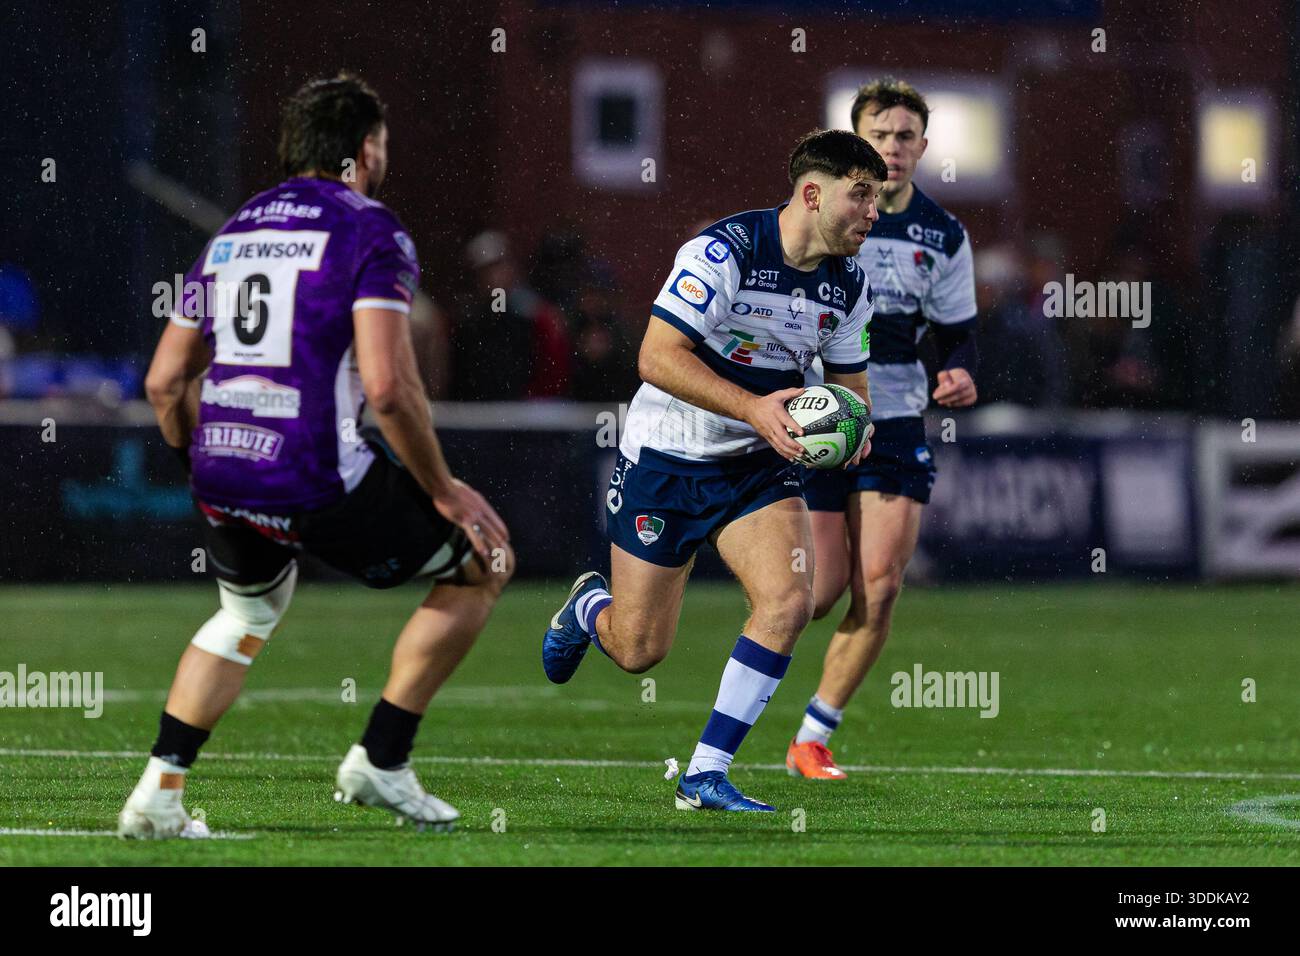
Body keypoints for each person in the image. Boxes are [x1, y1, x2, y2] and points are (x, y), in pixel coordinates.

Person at [119, 73, 513, 838]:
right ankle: (382, 760)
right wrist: (443, 489)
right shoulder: (370, 228)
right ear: (365, 149)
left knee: (244, 614)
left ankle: (159, 796)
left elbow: (166, 381)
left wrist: (197, 464)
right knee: (483, 563)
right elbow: (390, 389)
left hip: (225, 464)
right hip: (312, 470)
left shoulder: (233, 232)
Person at [542, 129, 885, 812]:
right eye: (862, 195)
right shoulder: (723, 252)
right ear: (812, 193)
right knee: (639, 650)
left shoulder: (850, 287)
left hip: (758, 465)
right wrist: (755, 407)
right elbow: (657, 358)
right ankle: (589, 607)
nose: (874, 213)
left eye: (879, 199)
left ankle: (704, 773)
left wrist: (854, 433)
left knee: (789, 603)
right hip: (667, 456)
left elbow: (854, 395)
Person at [789, 79, 978, 780]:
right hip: (821, 417)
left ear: (923, 147)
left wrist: (959, 373)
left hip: (897, 421)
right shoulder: (824, 218)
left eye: (905, 136)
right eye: (881, 133)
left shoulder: (944, 235)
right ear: (855, 138)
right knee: (815, 594)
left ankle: (812, 736)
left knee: (882, 583)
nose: (893, 147)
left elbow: (960, 337)